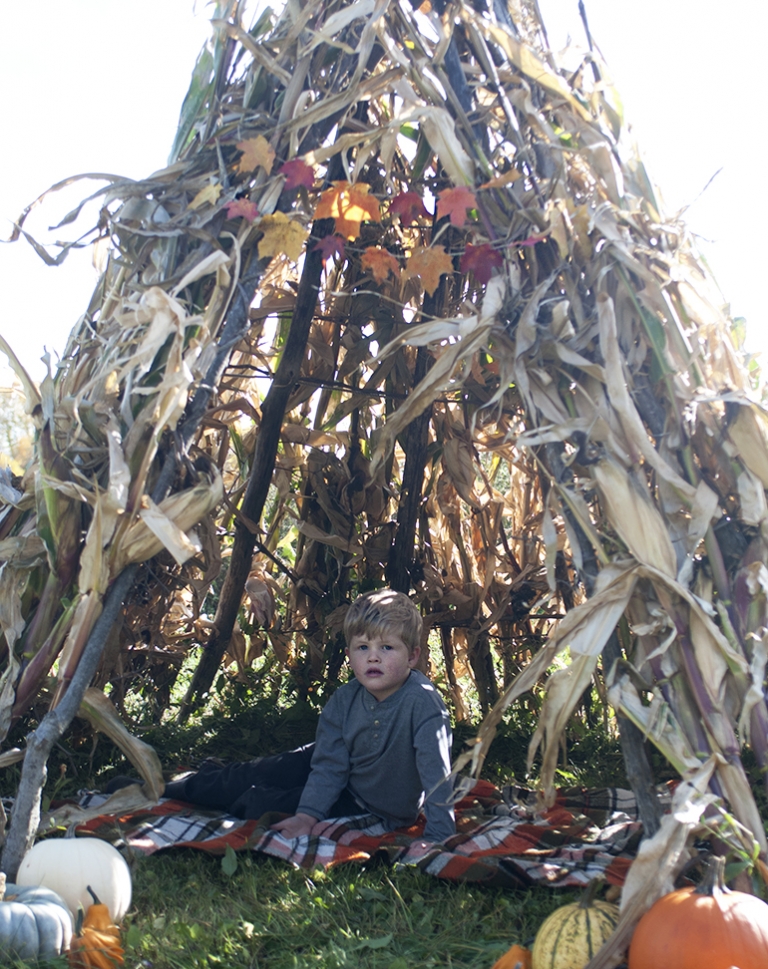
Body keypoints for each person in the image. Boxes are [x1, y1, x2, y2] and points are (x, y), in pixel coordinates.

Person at [161, 589, 456, 843]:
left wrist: (440, 836)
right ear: (350, 653)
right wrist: (308, 814)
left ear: (413, 656)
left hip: (364, 802)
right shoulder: (344, 700)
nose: (373, 657)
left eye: (387, 647)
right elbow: (330, 765)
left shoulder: (423, 705)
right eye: (363, 647)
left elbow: (436, 775)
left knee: (259, 803)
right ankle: (167, 788)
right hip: (330, 765)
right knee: (258, 772)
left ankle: (216, 787)